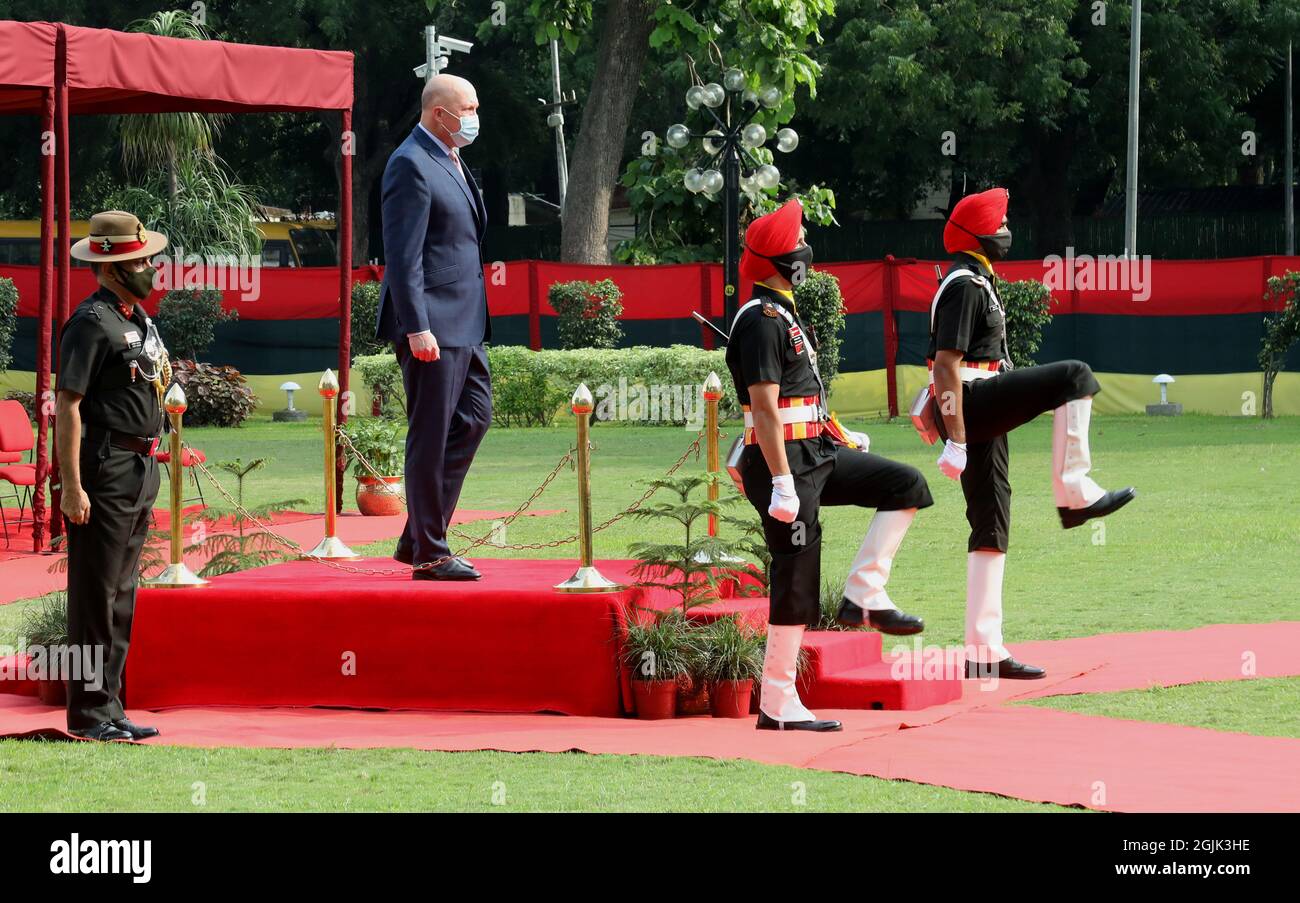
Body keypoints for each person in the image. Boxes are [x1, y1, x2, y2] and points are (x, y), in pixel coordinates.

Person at [726, 199, 933, 732]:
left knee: (905, 484)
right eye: (797, 244)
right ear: (777, 259)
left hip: (816, 453)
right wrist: (779, 482)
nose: (805, 250)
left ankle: (863, 590)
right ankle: (777, 702)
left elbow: (802, 400)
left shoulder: (784, 311)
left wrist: (841, 434)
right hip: (785, 465)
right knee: (795, 576)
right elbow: (766, 409)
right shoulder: (761, 320)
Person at [927, 187, 1136, 680]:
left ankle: (984, 652)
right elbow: (944, 365)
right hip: (973, 402)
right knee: (1075, 376)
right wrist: (956, 434)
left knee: (990, 521)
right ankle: (1075, 492)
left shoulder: (975, 280)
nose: (1006, 231)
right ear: (977, 234)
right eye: (999, 224)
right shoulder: (964, 284)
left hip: (977, 403)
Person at [57, 210, 170, 742]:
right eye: (141, 261)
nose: (151, 268)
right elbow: (69, 405)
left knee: (123, 592)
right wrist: (72, 484)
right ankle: (87, 713)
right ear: (112, 266)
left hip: (140, 466)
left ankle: (112, 706)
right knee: (94, 594)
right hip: (104, 469)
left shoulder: (136, 318)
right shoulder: (91, 322)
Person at [376, 73, 493, 581]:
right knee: (431, 434)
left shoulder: (451, 158)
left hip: (465, 319)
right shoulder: (409, 163)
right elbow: (403, 259)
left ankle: (417, 536)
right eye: (464, 109)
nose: (472, 118)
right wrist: (416, 326)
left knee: (475, 417)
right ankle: (431, 551)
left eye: (474, 108)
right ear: (437, 112)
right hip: (431, 324)